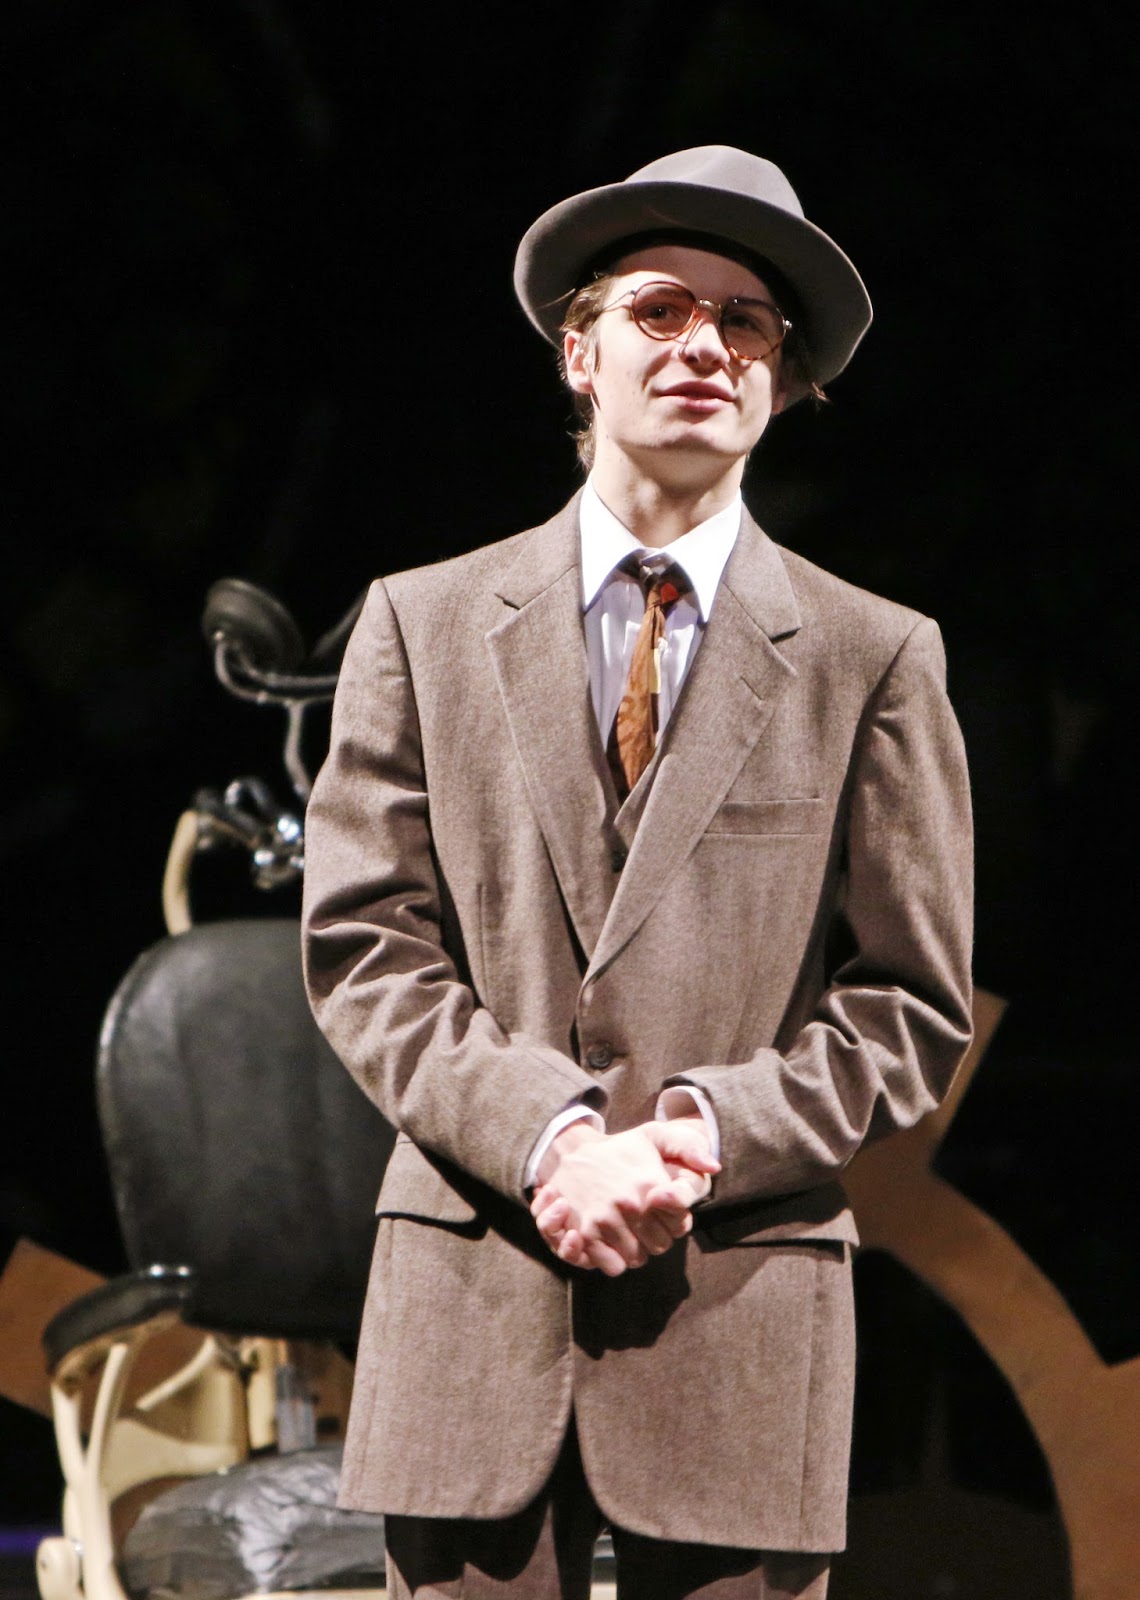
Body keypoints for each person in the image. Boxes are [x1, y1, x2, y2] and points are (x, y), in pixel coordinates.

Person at [301, 146, 974, 1599]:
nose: (707, 348)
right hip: (477, 1311)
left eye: (747, 326)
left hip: (735, 1318)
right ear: (579, 351)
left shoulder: (875, 657)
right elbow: (366, 950)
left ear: (780, 383)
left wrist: (689, 1137)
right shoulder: (416, 624)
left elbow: (912, 1005)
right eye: (664, 309)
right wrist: (551, 1137)